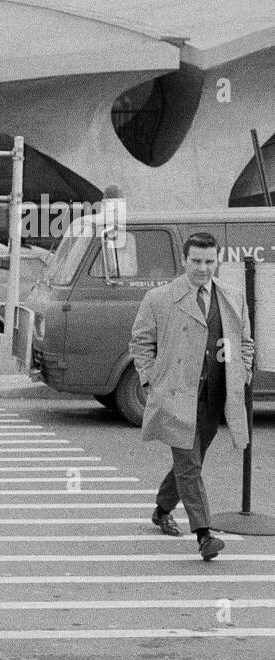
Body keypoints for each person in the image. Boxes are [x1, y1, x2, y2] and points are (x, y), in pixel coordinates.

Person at [131, 231, 253, 561]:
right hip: (176, 394)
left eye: (209, 261)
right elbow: (141, 343)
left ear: (217, 261)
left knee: (192, 461)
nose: (202, 268)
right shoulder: (160, 298)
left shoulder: (231, 296)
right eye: (196, 261)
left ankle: (161, 508)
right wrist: (151, 380)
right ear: (185, 260)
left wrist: (244, 372)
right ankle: (204, 536)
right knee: (189, 464)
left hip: (216, 395)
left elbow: (244, 342)